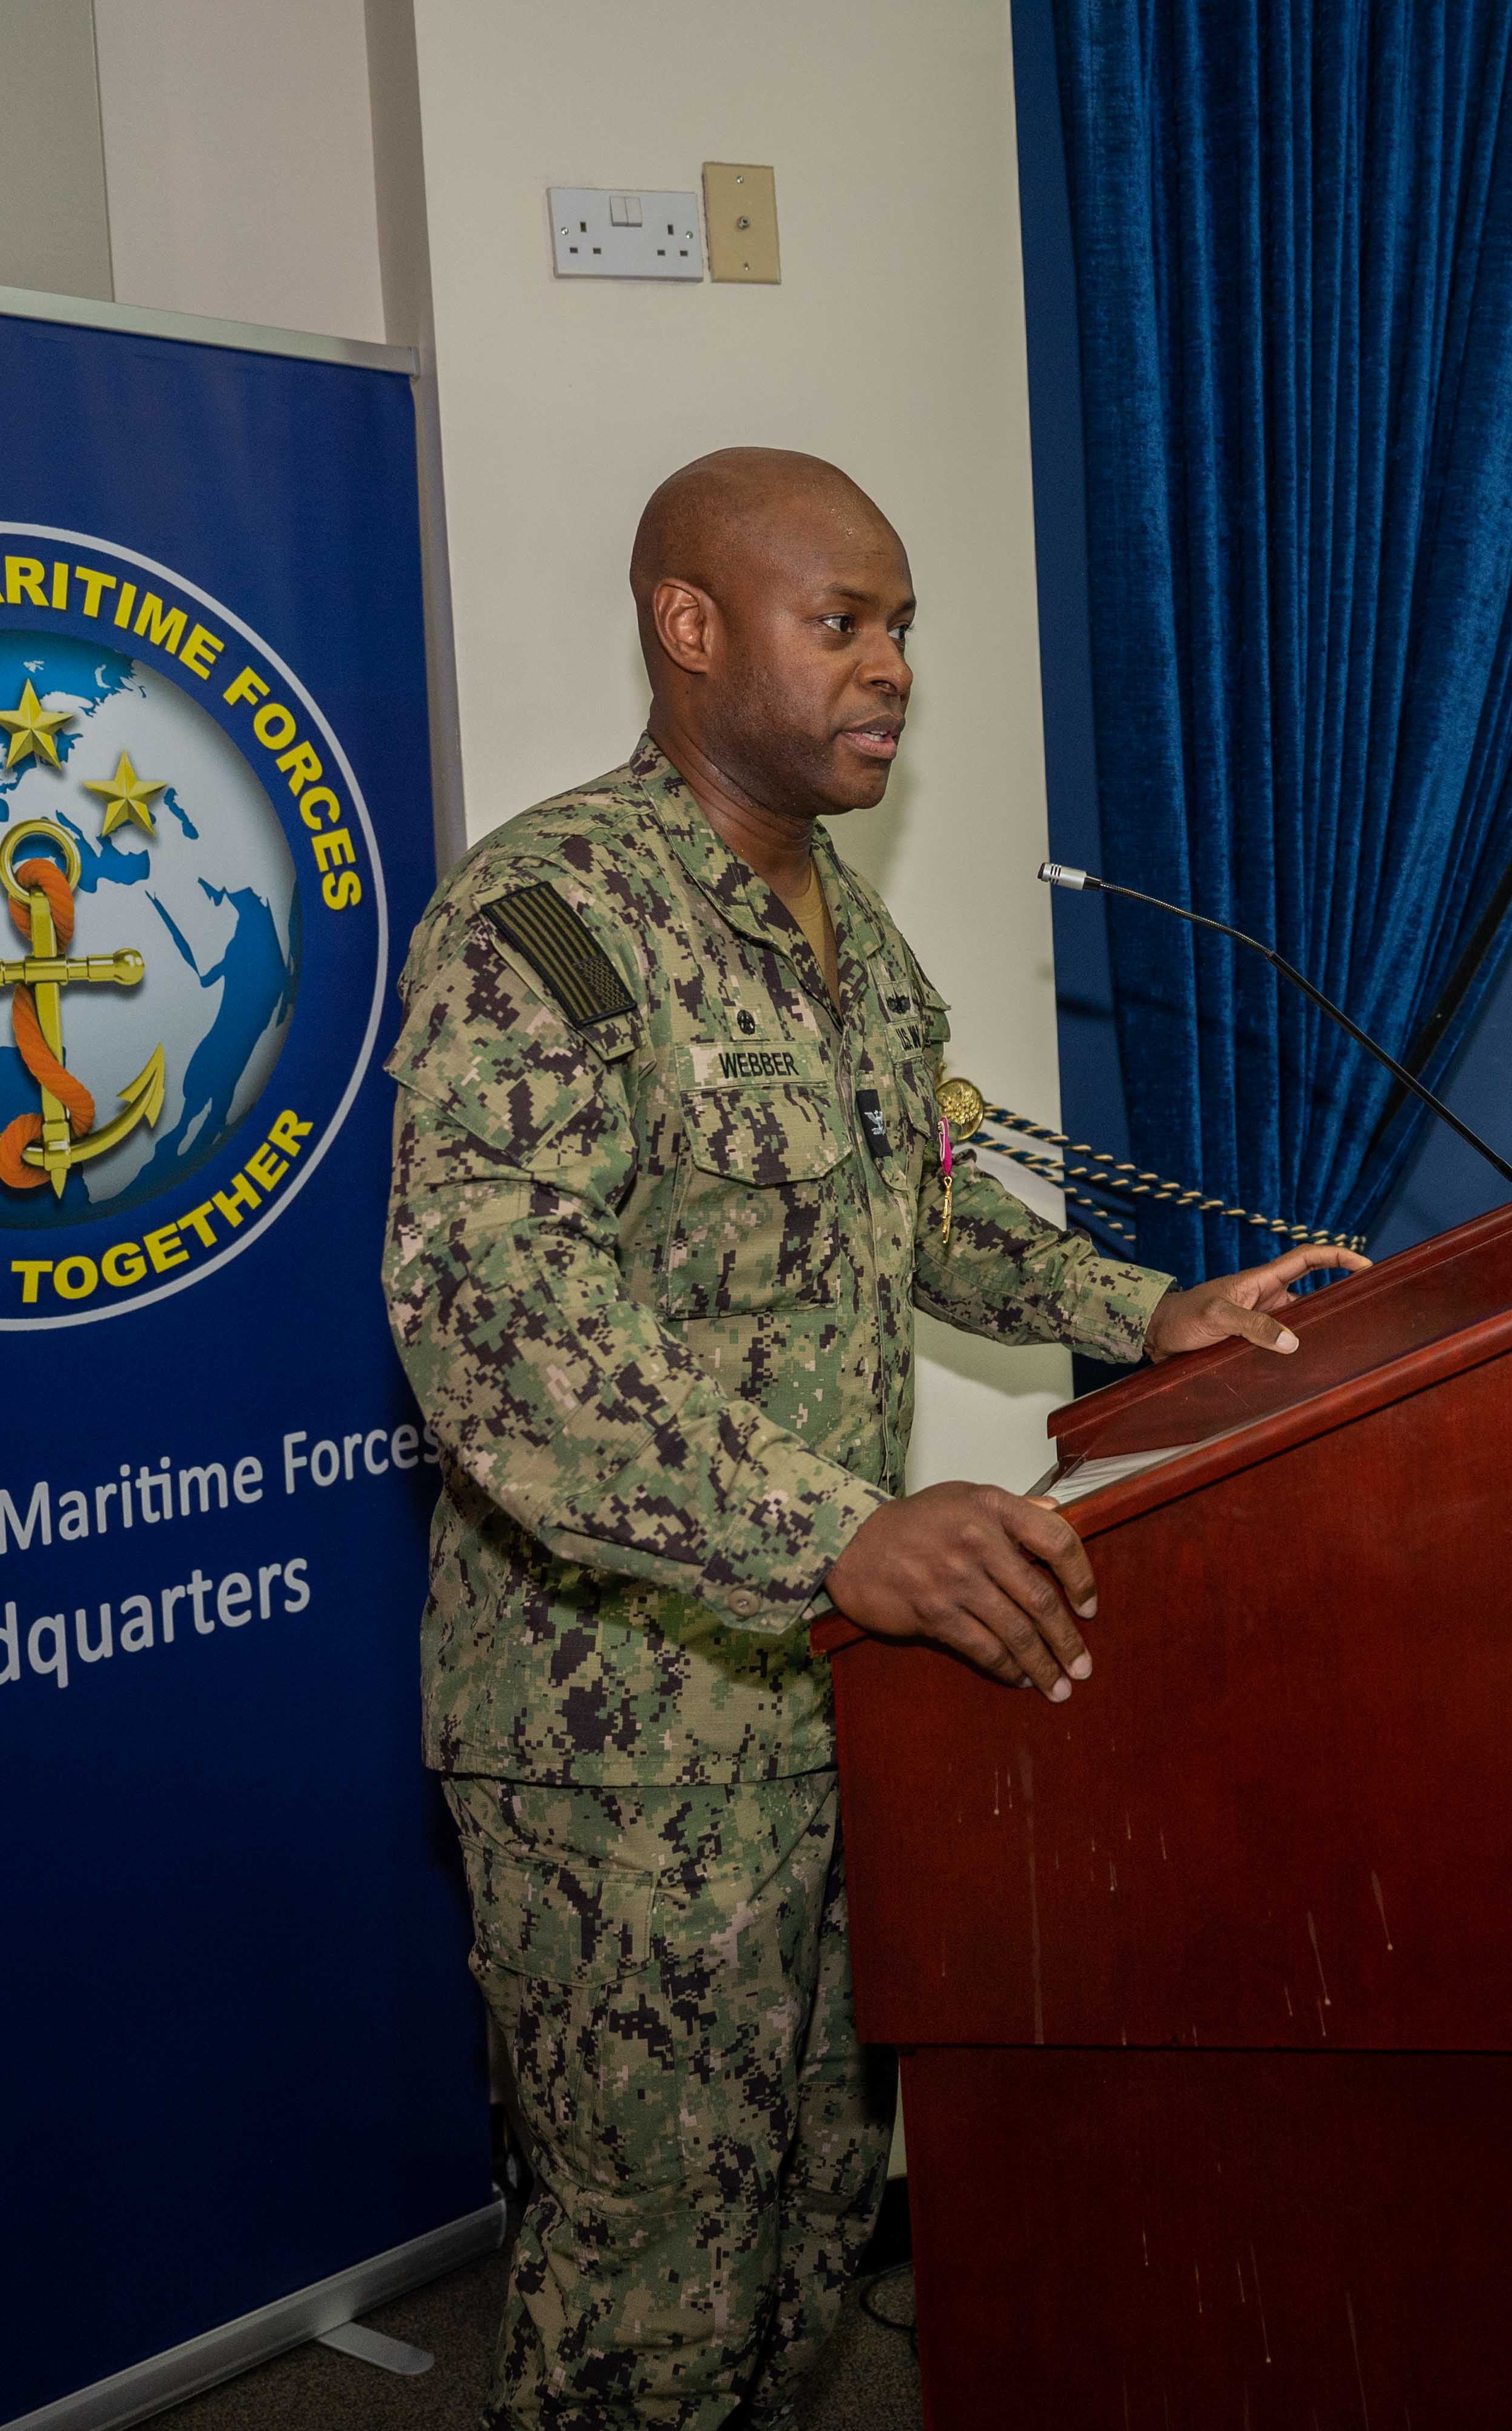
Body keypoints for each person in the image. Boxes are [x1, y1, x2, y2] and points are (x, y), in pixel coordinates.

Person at [383, 446, 1363, 2429]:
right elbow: (503, 1335)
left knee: (820, 2225)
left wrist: (1142, 1314)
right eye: (845, 623)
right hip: (622, 1747)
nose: (892, 668)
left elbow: (919, 1204)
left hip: (846, 1703)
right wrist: (839, 1526)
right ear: (690, 628)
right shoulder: (547, 924)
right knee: (645, 2278)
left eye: (904, 628)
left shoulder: (841, 925)